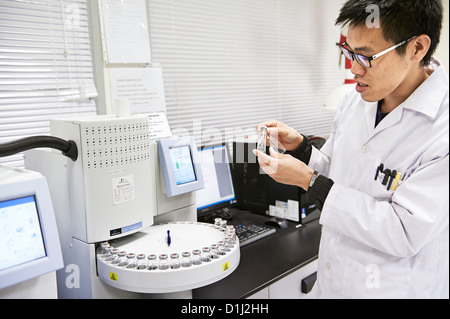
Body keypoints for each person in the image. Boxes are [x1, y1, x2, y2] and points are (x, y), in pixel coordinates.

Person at [254, 0, 448, 298]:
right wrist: (304, 149)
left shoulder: (442, 128)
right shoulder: (355, 100)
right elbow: (339, 171)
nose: (353, 69)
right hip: (332, 283)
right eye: (348, 52)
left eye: (366, 56)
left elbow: (404, 231)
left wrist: (309, 182)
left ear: (417, 48)